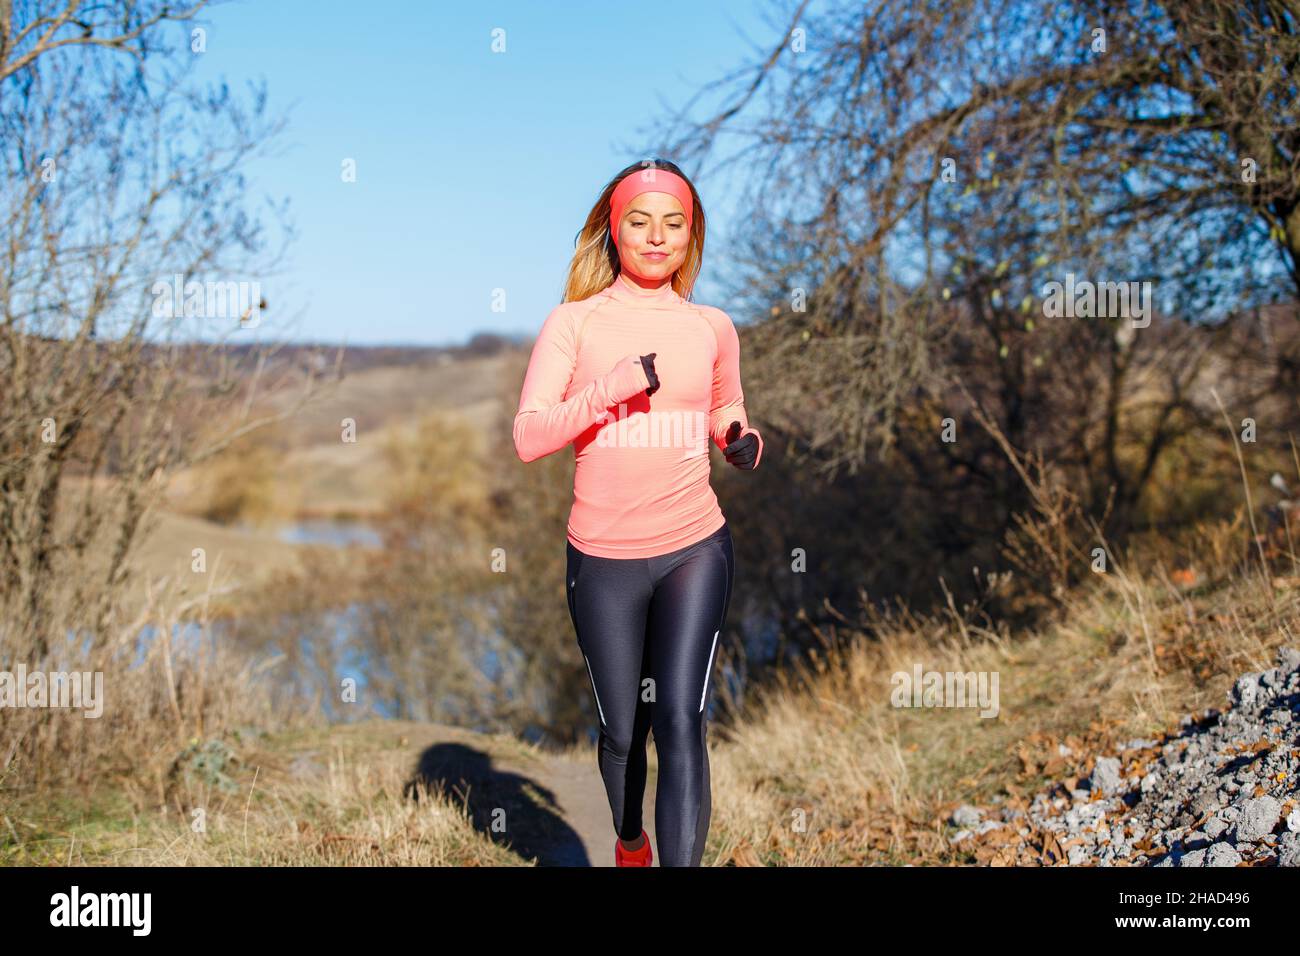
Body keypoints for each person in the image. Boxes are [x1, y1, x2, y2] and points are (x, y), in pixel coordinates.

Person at [512, 159, 763, 867]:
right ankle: (630, 843)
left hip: (695, 547)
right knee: (624, 731)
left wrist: (740, 441)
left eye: (673, 224)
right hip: (603, 559)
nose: (657, 237)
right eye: (640, 221)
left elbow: (726, 407)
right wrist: (612, 390)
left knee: (683, 720)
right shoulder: (573, 324)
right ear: (613, 230)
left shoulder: (712, 325)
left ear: (692, 235)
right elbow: (530, 436)